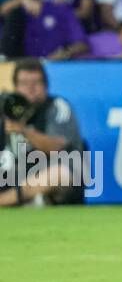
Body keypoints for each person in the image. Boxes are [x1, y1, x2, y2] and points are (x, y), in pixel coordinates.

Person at [0, 59, 87, 207]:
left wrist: (24, 131)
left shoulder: (57, 107)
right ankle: (26, 201)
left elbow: (58, 147)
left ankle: (7, 201)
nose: (30, 89)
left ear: (46, 86)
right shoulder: (6, 109)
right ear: (15, 87)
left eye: (36, 83)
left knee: (60, 174)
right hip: (13, 176)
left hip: (50, 178)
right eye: (24, 84)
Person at [0, 0, 88, 60]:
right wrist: (20, 0)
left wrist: (65, 53)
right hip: (20, 70)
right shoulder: (12, 14)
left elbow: (82, 44)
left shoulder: (60, 9)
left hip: (56, 68)